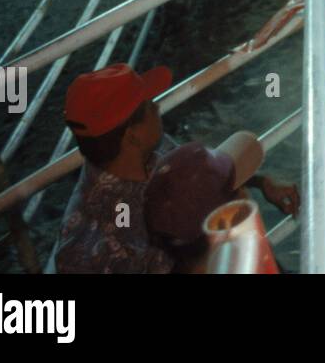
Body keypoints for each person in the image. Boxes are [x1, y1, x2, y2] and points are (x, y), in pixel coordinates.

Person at [54, 64, 177, 274]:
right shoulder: (88, 250)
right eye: (150, 105)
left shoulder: (155, 150)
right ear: (132, 136)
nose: (157, 108)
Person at [144, 135, 296, 274]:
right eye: (239, 187)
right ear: (223, 218)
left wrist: (260, 182)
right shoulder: (251, 261)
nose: (244, 191)